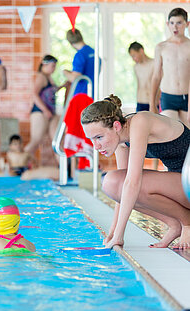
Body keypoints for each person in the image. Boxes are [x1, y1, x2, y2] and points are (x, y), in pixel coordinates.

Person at [81, 94, 190, 249]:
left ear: (116, 126)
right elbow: (122, 190)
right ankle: (174, 224)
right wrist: (112, 233)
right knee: (111, 184)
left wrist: (119, 236)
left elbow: (132, 182)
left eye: (99, 137)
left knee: (131, 184)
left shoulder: (140, 122)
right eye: (92, 139)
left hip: (188, 182)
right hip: (182, 183)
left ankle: (187, 222)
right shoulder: (119, 138)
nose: (96, 146)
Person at [149, 8, 190, 126]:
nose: (175, 27)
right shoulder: (161, 47)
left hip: (187, 97)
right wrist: (152, 104)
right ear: (167, 24)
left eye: (179, 23)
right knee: (170, 133)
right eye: (172, 23)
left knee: (186, 136)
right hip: (168, 97)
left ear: (187, 24)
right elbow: (156, 76)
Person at [24, 55, 67, 159]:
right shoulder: (41, 77)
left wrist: (63, 86)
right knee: (36, 141)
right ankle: (17, 164)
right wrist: (45, 110)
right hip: (39, 112)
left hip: (49, 113)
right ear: (45, 65)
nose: (54, 69)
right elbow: (34, 94)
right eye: (52, 66)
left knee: (56, 140)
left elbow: (52, 91)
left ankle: (63, 169)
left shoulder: (49, 77)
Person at [63, 28, 96, 98]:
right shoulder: (93, 52)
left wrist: (65, 72)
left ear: (71, 43)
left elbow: (75, 78)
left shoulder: (80, 55)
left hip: (82, 95)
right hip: (93, 93)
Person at [128, 42, 156, 112]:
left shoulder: (154, 63)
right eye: (131, 57)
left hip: (152, 103)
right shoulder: (136, 67)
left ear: (141, 51)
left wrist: (155, 103)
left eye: (134, 55)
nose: (133, 59)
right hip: (140, 102)